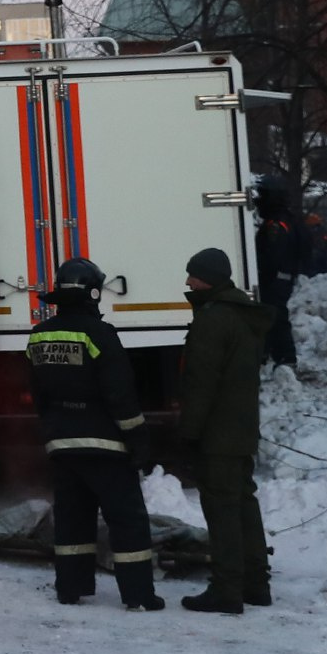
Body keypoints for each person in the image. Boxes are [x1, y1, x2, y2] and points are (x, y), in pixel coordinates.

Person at [25, 258, 163, 610]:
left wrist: (54, 429)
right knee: (127, 521)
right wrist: (138, 440)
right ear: (93, 294)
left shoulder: (39, 336)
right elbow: (120, 393)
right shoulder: (100, 335)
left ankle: (70, 588)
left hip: (63, 447)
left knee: (71, 520)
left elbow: (38, 394)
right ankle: (139, 596)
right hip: (106, 447)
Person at [176, 246, 271, 613]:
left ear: (209, 279)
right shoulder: (241, 315)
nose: (187, 281)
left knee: (221, 509)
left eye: (193, 275)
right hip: (241, 428)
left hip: (217, 432)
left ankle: (227, 589)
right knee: (244, 503)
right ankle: (256, 583)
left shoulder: (213, 319)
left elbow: (201, 382)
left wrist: (189, 433)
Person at [251, 176, 304, 369]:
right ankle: (271, 354)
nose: (258, 201)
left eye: (263, 195)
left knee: (276, 317)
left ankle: (286, 358)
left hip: (275, 279)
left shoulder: (277, 224)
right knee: (270, 316)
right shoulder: (284, 220)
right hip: (277, 278)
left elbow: (272, 255)